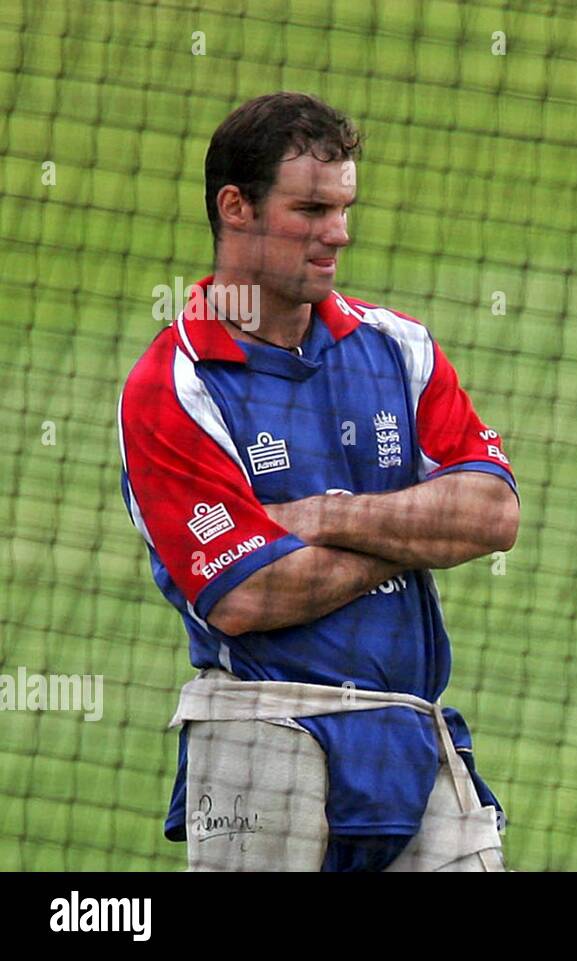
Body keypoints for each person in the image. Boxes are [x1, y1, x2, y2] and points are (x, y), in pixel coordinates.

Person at [117, 92, 519, 871]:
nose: (339, 233)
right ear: (236, 207)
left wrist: (329, 516)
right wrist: (419, 537)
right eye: (310, 209)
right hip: (262, 738)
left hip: (410, 733)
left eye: (343, 207)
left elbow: (494, 513)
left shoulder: (397, 347)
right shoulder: (174, 384)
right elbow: (247, 595)